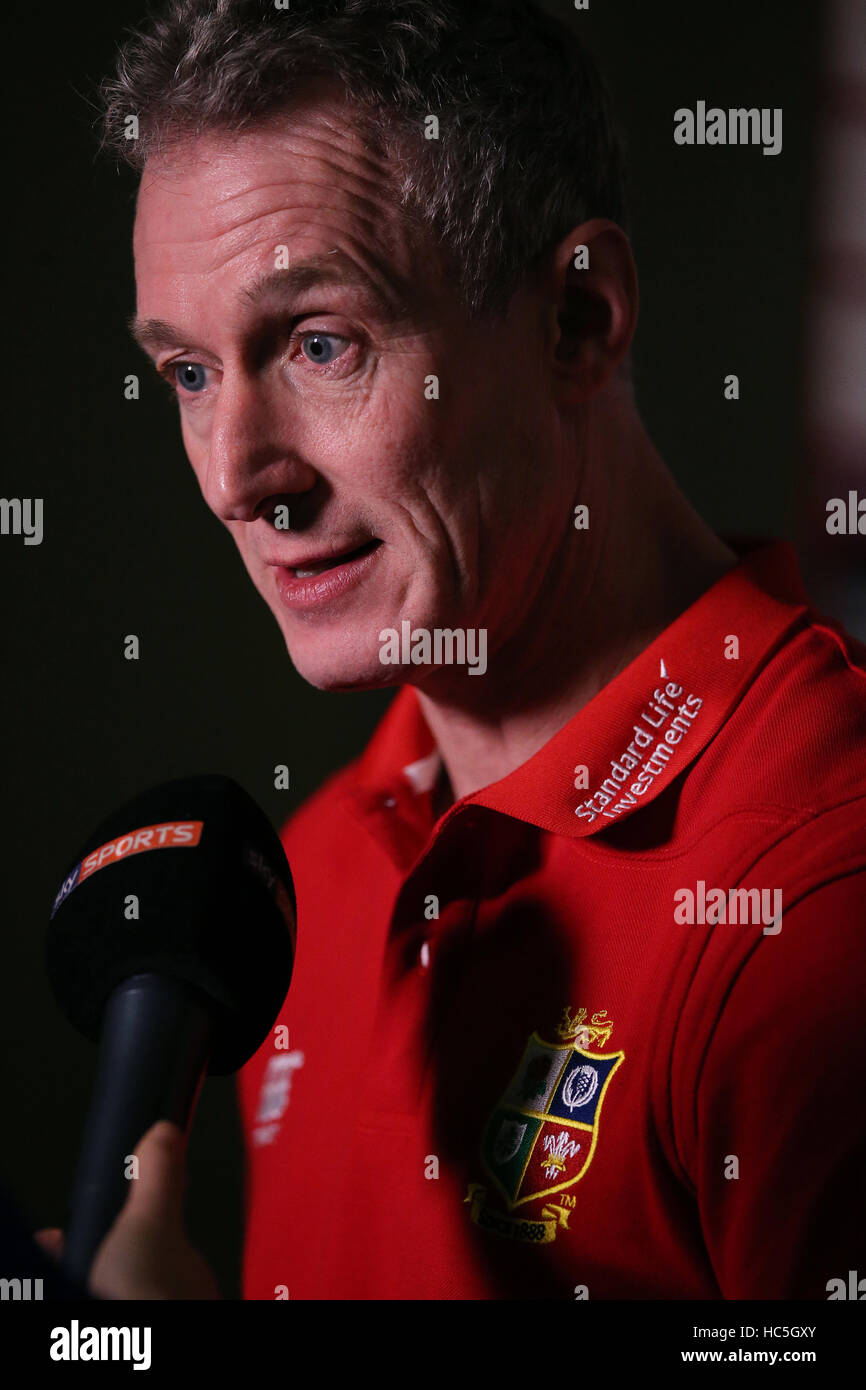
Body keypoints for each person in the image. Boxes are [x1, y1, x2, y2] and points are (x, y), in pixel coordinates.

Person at [44, 0, 866, 1298]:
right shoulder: (302, 877)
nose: (232, 477)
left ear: (577, 321)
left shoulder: (816, 903)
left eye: (320, 344)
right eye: (189, 373)